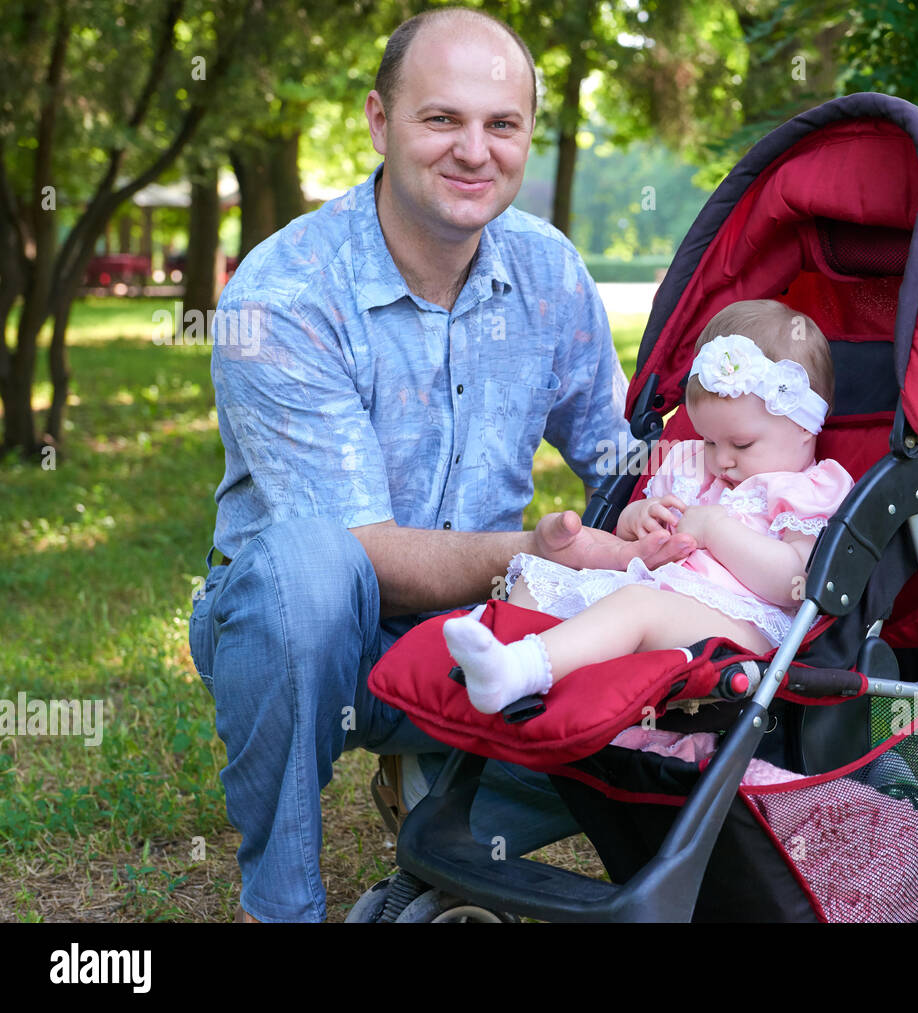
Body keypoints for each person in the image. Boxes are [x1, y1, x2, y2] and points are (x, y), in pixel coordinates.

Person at [188, 7, 690, 923]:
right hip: (310, 633)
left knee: (658, 690)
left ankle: (435, 818)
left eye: (502, 125)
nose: (475, 151)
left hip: (472, 635)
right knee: (309, 570)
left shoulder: (547, 270)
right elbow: (361, 549)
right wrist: (532, 551)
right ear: (381, 122)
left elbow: (619, 456)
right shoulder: (284, 295)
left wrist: (725, 488)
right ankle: (284, 905)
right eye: (442, 119)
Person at [444, 300, 855, 714]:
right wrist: (636, 520)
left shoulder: (808, 489)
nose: (722, 459)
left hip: (743, 625)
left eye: (741, 444)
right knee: (540, 579)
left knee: (637, 606)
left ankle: (520, 671)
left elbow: (793, 584)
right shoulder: (691, 462)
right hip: (655, 589)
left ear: (805, 427)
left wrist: (716, 530)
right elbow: (630, 536)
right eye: (710, 441)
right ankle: (496, 651)